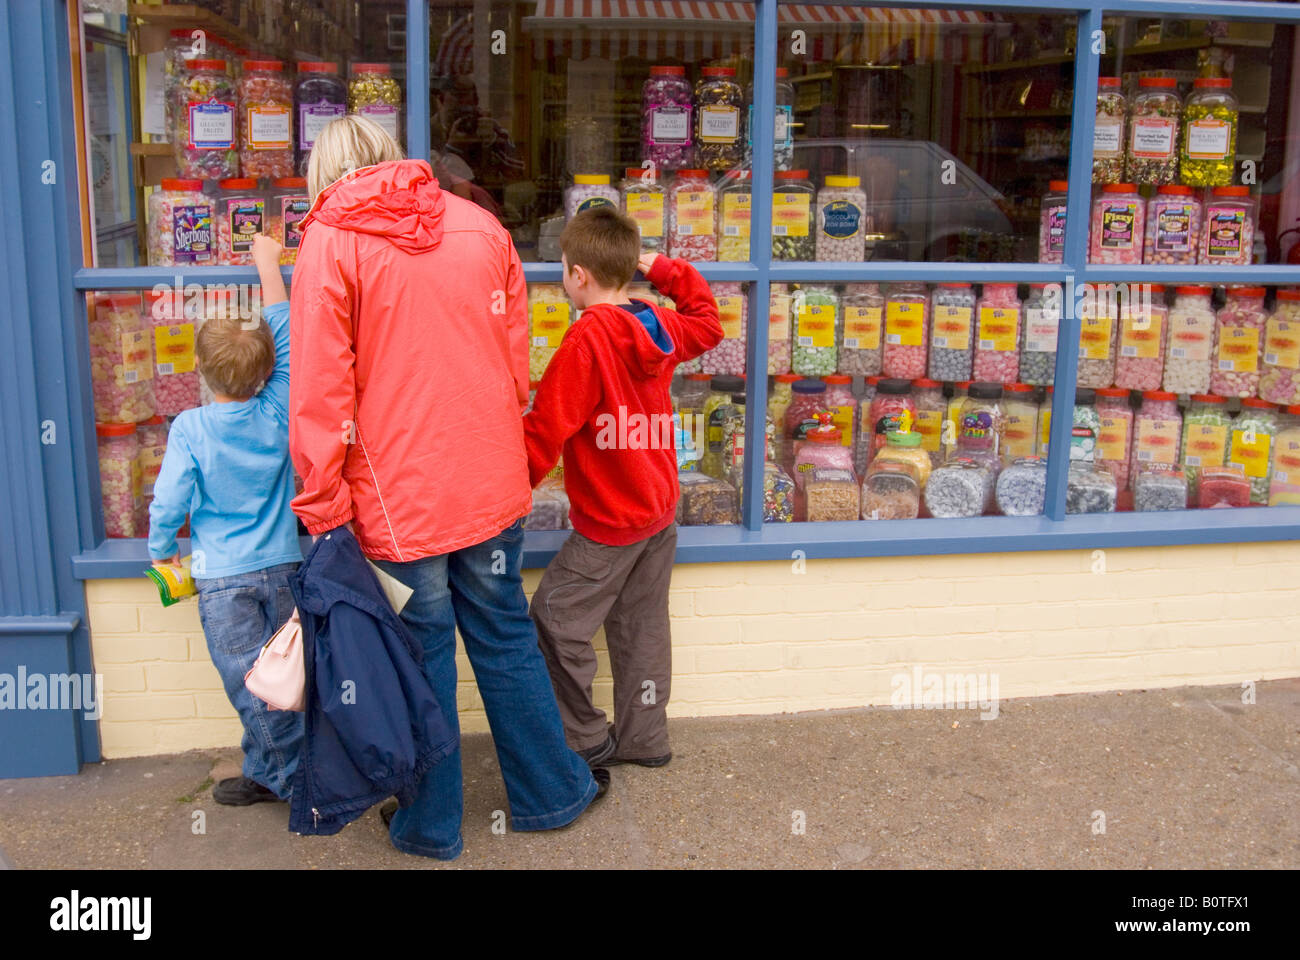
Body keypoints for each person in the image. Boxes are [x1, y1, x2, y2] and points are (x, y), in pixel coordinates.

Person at [289, 114, 600, 861]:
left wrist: (322, 503)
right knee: (504, 635)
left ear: (324, 170)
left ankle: (430, 824)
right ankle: (552, 793)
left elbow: (321, 394)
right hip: (488, 475)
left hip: (399, 496)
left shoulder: (330, 241)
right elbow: (512, 358)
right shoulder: (480, 227)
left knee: (421, 653)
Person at [524, 207, 723, 768]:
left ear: (577, 275)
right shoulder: (654, 323)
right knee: (642, 632)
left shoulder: (585, 341)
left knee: (553, 622)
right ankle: (645, 741)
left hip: (610, 526)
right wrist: (662, 267)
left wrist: (506, 494)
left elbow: (546, 430)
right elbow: (708, 321)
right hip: (659, 515)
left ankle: (586, 739)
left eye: (564, 268)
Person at [148, 233, 303, 806]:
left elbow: (167, 503)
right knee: (284, 680)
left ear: (196, 368)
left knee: (253, 688)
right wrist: (268, 264)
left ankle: (295, 781)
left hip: (222, 582)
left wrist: (160, 550)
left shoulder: (189, 428)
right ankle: (268, 771)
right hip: (285, 566)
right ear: (267, 370)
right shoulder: (278, 407)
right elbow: (282, 331)